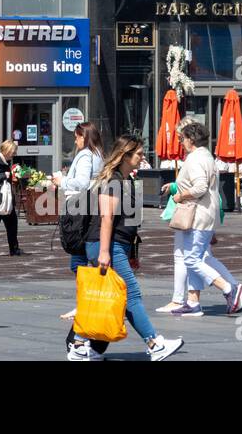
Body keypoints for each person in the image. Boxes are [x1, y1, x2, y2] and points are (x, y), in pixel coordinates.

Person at [69, 135, 183, 362]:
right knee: (130, 295)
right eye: (139, 154)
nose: (143, 158)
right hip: (107, 245)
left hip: (117, 245)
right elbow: (106, 218)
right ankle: (154, 344)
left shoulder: (126, 180)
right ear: (125, 155)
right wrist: (104, 252)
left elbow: (130, 223)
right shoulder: (112, 180)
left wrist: (132, 253)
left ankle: (82, 346)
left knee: (110, 297)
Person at [166, 121, 242, 312]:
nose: (181, 142)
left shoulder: (195, 159)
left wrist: (180, 195)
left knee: (191, 260)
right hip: (206, 214)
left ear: (191, 139)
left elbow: (200, 187)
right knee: (195, 257)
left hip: (198, 215)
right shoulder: (207, 156)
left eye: (183, 138)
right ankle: (193, 303)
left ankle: (230, 289)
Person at [53, 122, 104, 320]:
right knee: (85, 258)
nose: (75, 140)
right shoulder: (99, 154)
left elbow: (82, 183)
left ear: (84, 137)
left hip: (79, 210)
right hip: (91, 209)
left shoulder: (85, 155)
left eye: (77, 136)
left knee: (78, 260)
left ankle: (85, 304)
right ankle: (87, 303)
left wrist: (61, 181)